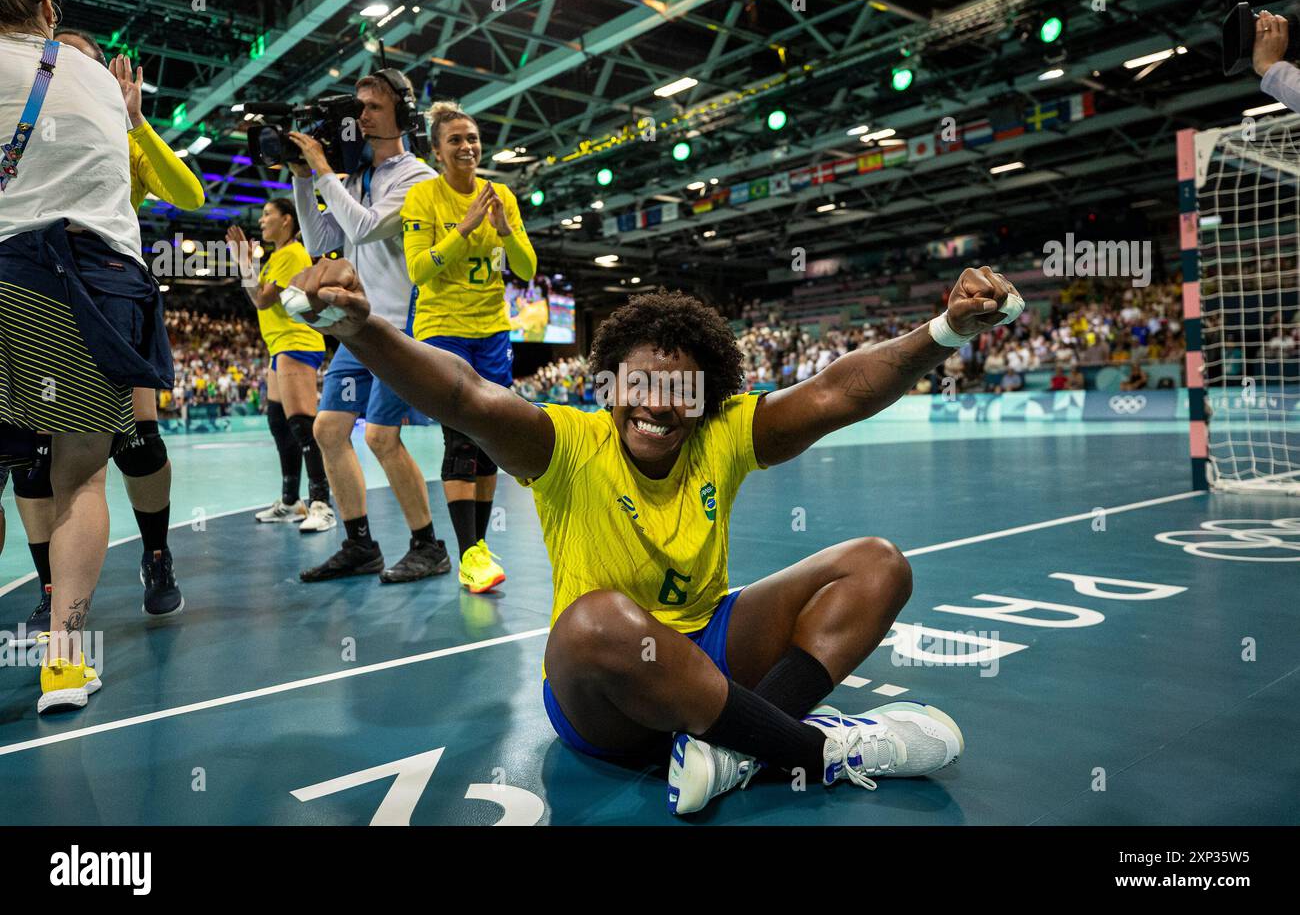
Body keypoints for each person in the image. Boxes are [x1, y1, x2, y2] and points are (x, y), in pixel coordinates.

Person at [286, 258, 1021, 816]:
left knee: (877, 566)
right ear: (609, 385)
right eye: (638, 384)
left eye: (681, 391)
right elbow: (460, 393)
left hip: (709, 650)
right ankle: (819, 750)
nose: (657, 405)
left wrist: (947, 330)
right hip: (609, 694)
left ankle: (726, 751)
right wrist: (360, 327)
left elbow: (838, 392)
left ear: (706, 402)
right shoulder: (562, 443)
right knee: (595, 622)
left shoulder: (728, 433)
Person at [0, 0, 172, 712]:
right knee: (80, 476)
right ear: (45, 7)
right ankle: (64, 661)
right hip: (85, 280)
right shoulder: (99, 78)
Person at [7, 28, 203, 631]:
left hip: (105, 287)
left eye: (87, 62)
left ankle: (157, 554)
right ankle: (52, 590)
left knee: (137, 444)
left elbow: (189, 194)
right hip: (34, 277)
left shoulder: (121, 137)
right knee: (36, 460)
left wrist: (136, 121)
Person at [287, 70, 449, 584]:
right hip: (359, 326)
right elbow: (320, 242)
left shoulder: (416, 178)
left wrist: (322, 168)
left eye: (374, 107)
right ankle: (361, 545)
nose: (362, 117)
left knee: (380, 437)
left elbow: (362, 226)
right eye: (358, 107)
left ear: (401, 115)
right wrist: (302, 177)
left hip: (401, 328)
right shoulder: (355, 180)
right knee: (328, 429)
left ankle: (429, 545)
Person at [400, 100, 537, 593]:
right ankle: (470, 553)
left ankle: (476, 549)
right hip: (442, 332)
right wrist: (462, 230)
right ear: (437, 151)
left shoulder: (502, 196)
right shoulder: (423, 199)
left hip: (493, 333)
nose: (467, 146)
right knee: (459, 435)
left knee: (488, 437)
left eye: (473, 138)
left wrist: (503, 230)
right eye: (455, 139)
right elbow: (419, 270)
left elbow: (525, 268)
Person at [226, 200, 332, 530]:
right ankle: (291, 501)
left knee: (302, 425)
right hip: (280, 346)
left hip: (296, 343)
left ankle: (321, 504)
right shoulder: (276, 258)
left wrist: (244, 264)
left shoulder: (292, 255)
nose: (261, 220)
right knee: (278, 420)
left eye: (268, 214)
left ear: (287, 220)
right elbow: (260, 295)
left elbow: (260, 298)